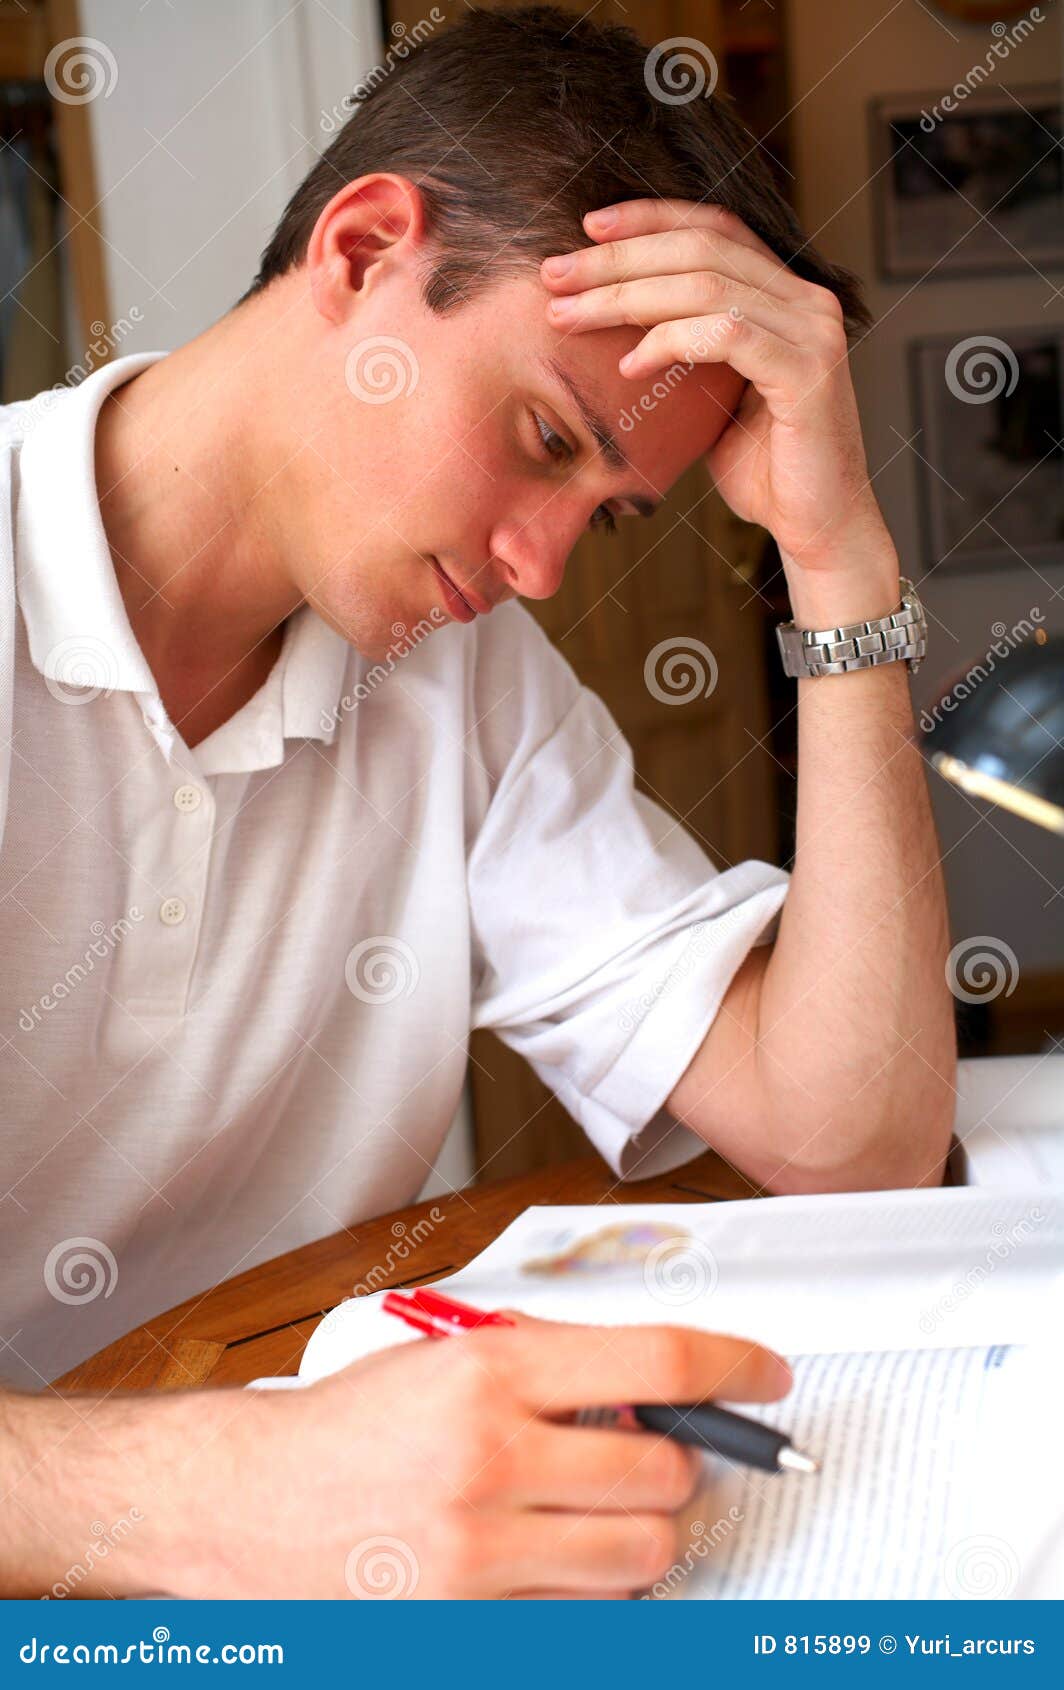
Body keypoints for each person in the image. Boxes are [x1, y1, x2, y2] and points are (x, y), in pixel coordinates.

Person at [0, 6, 955, 1598]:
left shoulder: (465, 685)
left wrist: (841, 558)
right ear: (366, 251)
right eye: (538, 439)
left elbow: (853, 1136)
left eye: (607, 511)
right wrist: (237, 1482)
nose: (537, 568)